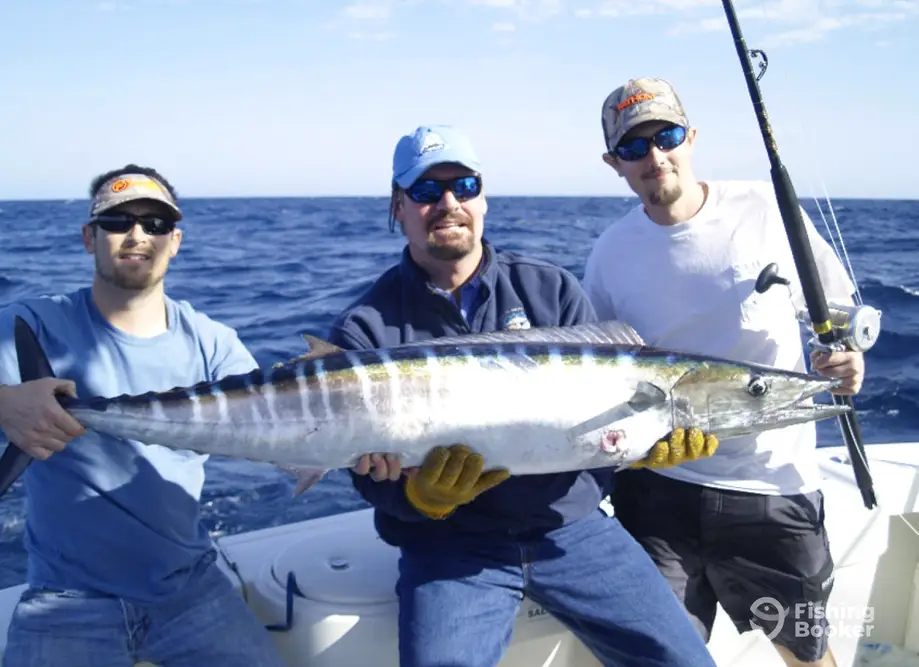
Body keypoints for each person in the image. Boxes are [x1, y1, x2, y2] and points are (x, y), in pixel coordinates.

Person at [327, 123, 721, 667]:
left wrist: (640, 452)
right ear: (398, 206)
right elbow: (361, 468)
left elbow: (599, 427)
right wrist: (419, 500)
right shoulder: (365, 329)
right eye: (425, 191)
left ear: (483, 198)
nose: (448, 204)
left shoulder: (550, 289)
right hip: (451, 545)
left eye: (463, 187)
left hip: (573, 528)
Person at [582, 77, 865, 667]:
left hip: (771, 490)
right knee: (659, 656)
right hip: (657, 489)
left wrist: (848, 355)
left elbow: (842, 313)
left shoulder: (763, 211)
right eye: (634, 148)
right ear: (615, 163)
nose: (655, 156)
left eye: (668, 136)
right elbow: (599, 369)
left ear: (692, 138)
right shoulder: (609, 252)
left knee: (806, 654)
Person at [0, 165, 286, 667]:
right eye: (117, 222)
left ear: (174, 241)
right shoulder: (31, 324)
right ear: (89, 238)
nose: (137, 235)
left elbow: (280, 428)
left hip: (191, 590)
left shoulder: (213, 343)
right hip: (65, 600)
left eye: (154, 224)